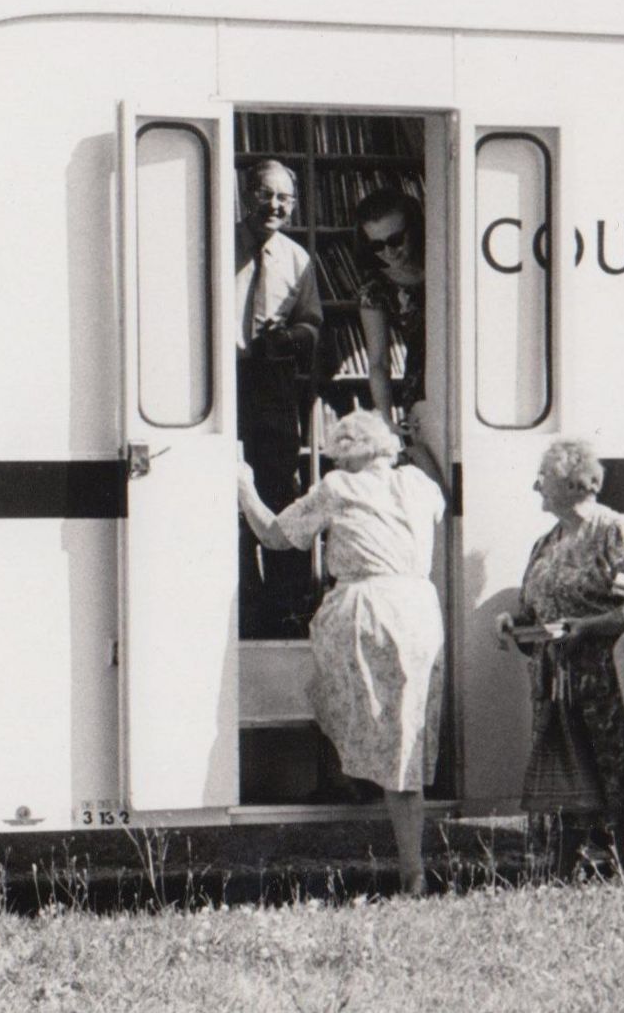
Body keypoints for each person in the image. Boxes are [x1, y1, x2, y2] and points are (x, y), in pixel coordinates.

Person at [237, 410, 446, 895]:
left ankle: (351, 785)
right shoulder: (418, 482)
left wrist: (244, 485)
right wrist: (422, 447)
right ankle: (404, 854)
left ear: (343, 450)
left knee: (345, 705)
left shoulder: (337, 487)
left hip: (367, 609)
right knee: (404, 730)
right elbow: (440, 494)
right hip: (418, 610)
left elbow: (274, 535)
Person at [497, 437, 624, 871]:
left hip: (603, 679)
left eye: (543, 478)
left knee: (613, 774)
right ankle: (562, 871)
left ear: (572, 482)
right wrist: (514, 624)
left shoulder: (613, 532)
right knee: (562, 776)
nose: (535, 486)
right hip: (554, 683)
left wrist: (589, 628)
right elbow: (532, 607)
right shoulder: (547, 541)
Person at [237, 159, 323, 637]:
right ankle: (242, 603)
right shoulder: (218, 243)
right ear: (246, 195)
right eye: (265, 194)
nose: (275, 205)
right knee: (224, 491)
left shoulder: (298, 259)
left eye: (284, 198)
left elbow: (313, 327)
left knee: (277, 492)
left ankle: (283, 608)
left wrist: (288, 339)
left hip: (271, 384)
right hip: (224, 379)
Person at [355, 188, 441, 482]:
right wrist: (385, 420)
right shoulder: (376, 288)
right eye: (377, 246)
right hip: (422, 387)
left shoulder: (445, 263)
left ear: (414, 229)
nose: (389, 253)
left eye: (395, 240)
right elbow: (378, 361)